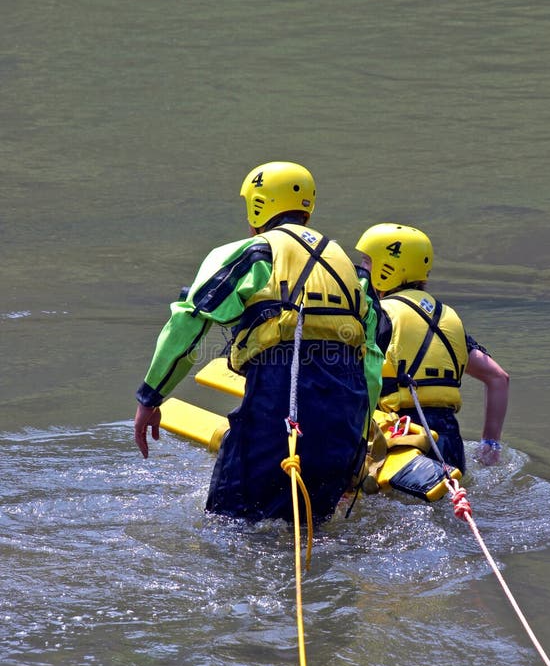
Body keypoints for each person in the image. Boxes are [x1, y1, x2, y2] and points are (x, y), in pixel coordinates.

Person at [134, 161, 384, 524]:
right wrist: (357, 445)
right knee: (309, 530)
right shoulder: (351, 273)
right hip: (344, 421)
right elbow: (371, 364)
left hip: (279, 402)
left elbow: (189, 321)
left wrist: (151, 397)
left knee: (227, 527)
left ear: (258, 206)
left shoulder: (255, 252)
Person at [355, 223, 509, 473]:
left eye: (366, 261)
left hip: (400, 440)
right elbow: (498, 378)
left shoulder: (379, 315)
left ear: (387, 267)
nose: (361, 269)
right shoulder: (448, 319)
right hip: (450, 443)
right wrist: (490, 444)